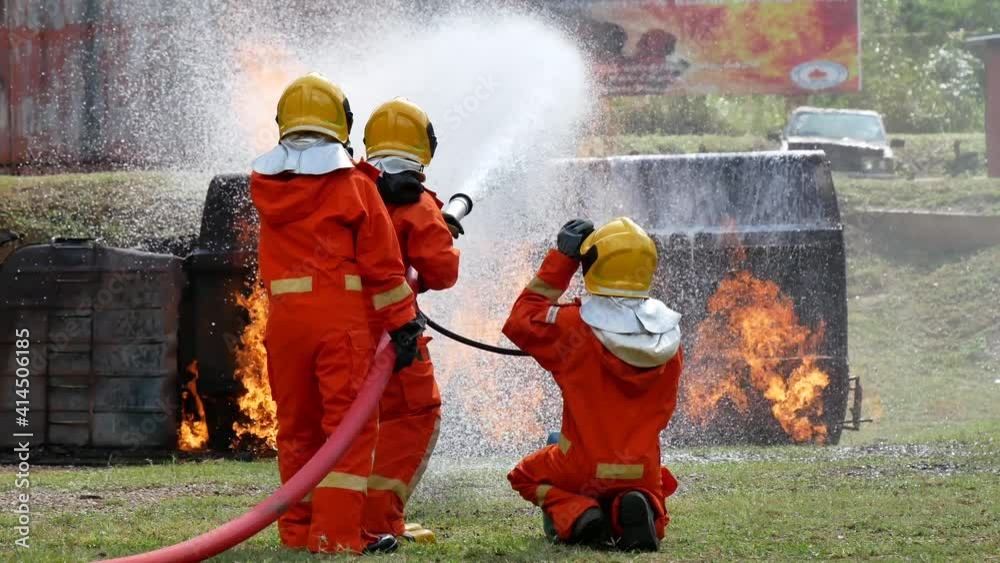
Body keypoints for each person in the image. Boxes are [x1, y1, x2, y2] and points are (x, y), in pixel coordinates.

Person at [250, 72, 425, 555]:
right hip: (338, 323)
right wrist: (404, 324)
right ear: (341, 125)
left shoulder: (265, 186)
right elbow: (383, 267)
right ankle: (335, 536)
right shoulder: (354, 187)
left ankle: (299, 530)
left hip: (284, 323)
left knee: (297, 429)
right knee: (347, 430)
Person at [503, 216, 683, 552]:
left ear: (591, 266)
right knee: (646, 489)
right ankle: (633, 505)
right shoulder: (668, 336)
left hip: (579, 464)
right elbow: (665, 409)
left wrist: (562, 260)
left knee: (524, 477)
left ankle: (580, 511)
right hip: (639, 464)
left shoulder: (573, 326)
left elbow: (520, 320)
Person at [359, 98, 461, 542]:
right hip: (393, 336)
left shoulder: (350, 187)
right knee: (417, 416)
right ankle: (378, 520)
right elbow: (442, 272)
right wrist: (440, 230)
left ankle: (342, 513)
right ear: (425, 148)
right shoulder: (416, 204)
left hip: (341, 333)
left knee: (360, 423)